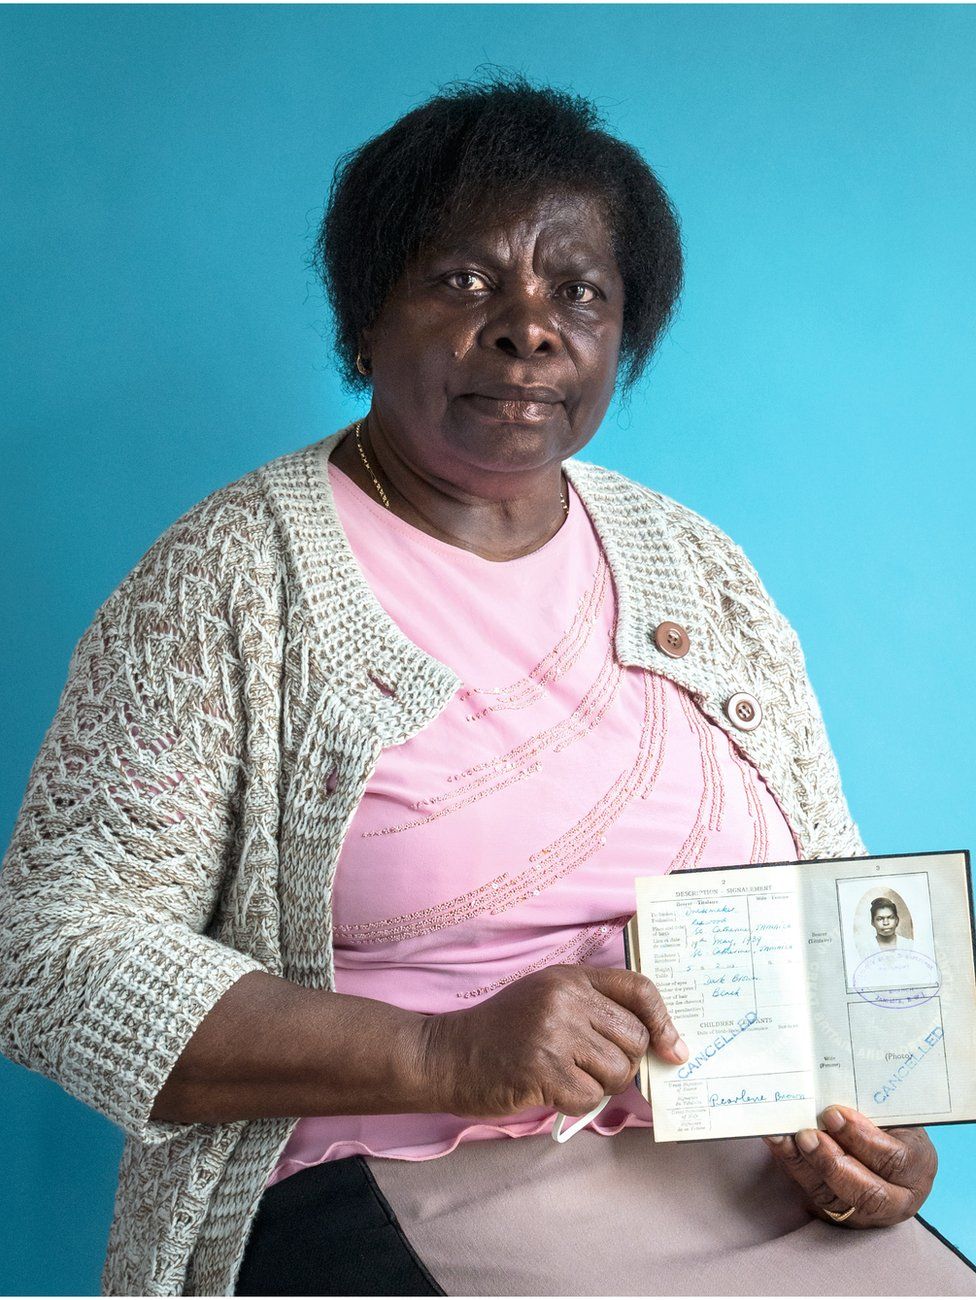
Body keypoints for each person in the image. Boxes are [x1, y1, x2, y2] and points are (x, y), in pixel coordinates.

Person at [1, 73, 973, 1298]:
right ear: (364, 320)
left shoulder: (702, 568)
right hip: (392, 1170)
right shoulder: (230, 580)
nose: (530, 327)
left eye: (579, 292)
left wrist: (878, 1130)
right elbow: (50, 956)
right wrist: (440, 1051)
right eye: (466, 281)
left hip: (740, 1175)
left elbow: (833, 909)